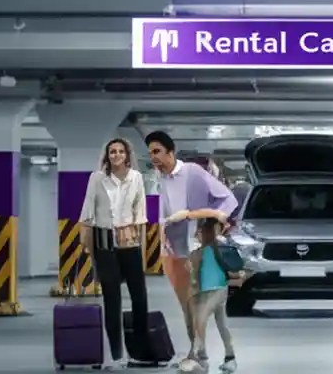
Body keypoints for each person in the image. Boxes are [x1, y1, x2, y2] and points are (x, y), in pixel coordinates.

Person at [144, 130, 238, 361]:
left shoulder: (192, 173)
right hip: (172, 254)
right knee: (187, 308)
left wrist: (211, 219)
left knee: (200, 307)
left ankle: (199, 353)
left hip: (198, 250)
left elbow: (229, 199)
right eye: (150, 153)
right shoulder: (157, 180)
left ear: (170, 152)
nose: (153, 157)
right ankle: (198, 352)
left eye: (157, 151)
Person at [78, 137, 150, 371]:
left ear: (127, 155)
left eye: (120, 151)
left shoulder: (136, 178)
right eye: (112, 152)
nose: (116, 155)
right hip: (104, 242)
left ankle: (139, 352)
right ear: (107, 156)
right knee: (112, 299)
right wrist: (87, 247)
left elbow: (140, 213)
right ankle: (116, 355)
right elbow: (87, 213)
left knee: (139, 297)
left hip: (129, 241)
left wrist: (141, 245)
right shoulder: (97, 178)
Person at [177, 217, 242, 373]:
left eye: (201, 232)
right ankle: (229, 357)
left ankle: (197, 357)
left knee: (200, 319)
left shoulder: (213, 249)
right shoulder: (204, 250)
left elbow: (194, 276)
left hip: (215, 290)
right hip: (214, 289)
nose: (198, 234)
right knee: (220, 323)